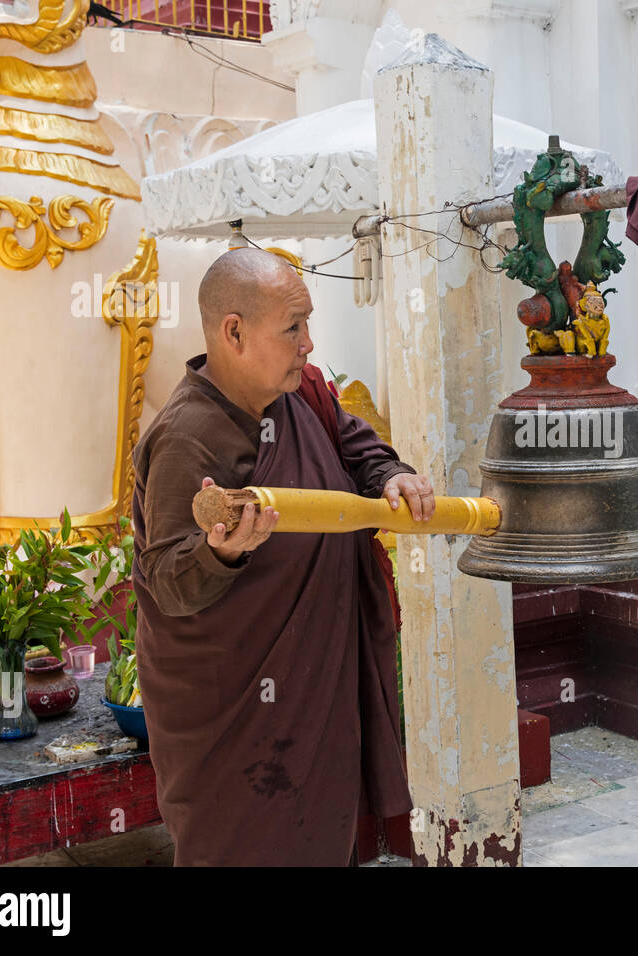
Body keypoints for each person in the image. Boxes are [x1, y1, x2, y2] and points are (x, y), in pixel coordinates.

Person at [131, 248, 435, 865]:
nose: (308, 343)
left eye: (308, 323)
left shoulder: (305, 399)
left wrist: (391, 477)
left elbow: (361, 451)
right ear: (234, 332)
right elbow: (166, 580)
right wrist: (220, 555)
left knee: (319, 838)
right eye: (292, 327)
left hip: (313, 689)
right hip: (235, 715)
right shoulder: (187, 438)